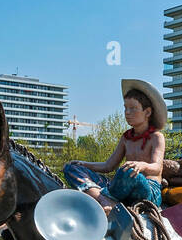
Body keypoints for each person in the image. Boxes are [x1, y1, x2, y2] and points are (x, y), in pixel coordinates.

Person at [63, 79, 166, 214]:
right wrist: (83, 164)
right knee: (71, 168)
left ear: (147, 112)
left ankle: (105, 196)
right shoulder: (126, 138)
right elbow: (108, 166)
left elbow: (157, 167)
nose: (127, 113)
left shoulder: (156, 137)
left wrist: (142, 166)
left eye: (133, 108)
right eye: (125, 108)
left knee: (129, 171)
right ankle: (103, 199)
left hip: (147, 190)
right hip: (120, 189)